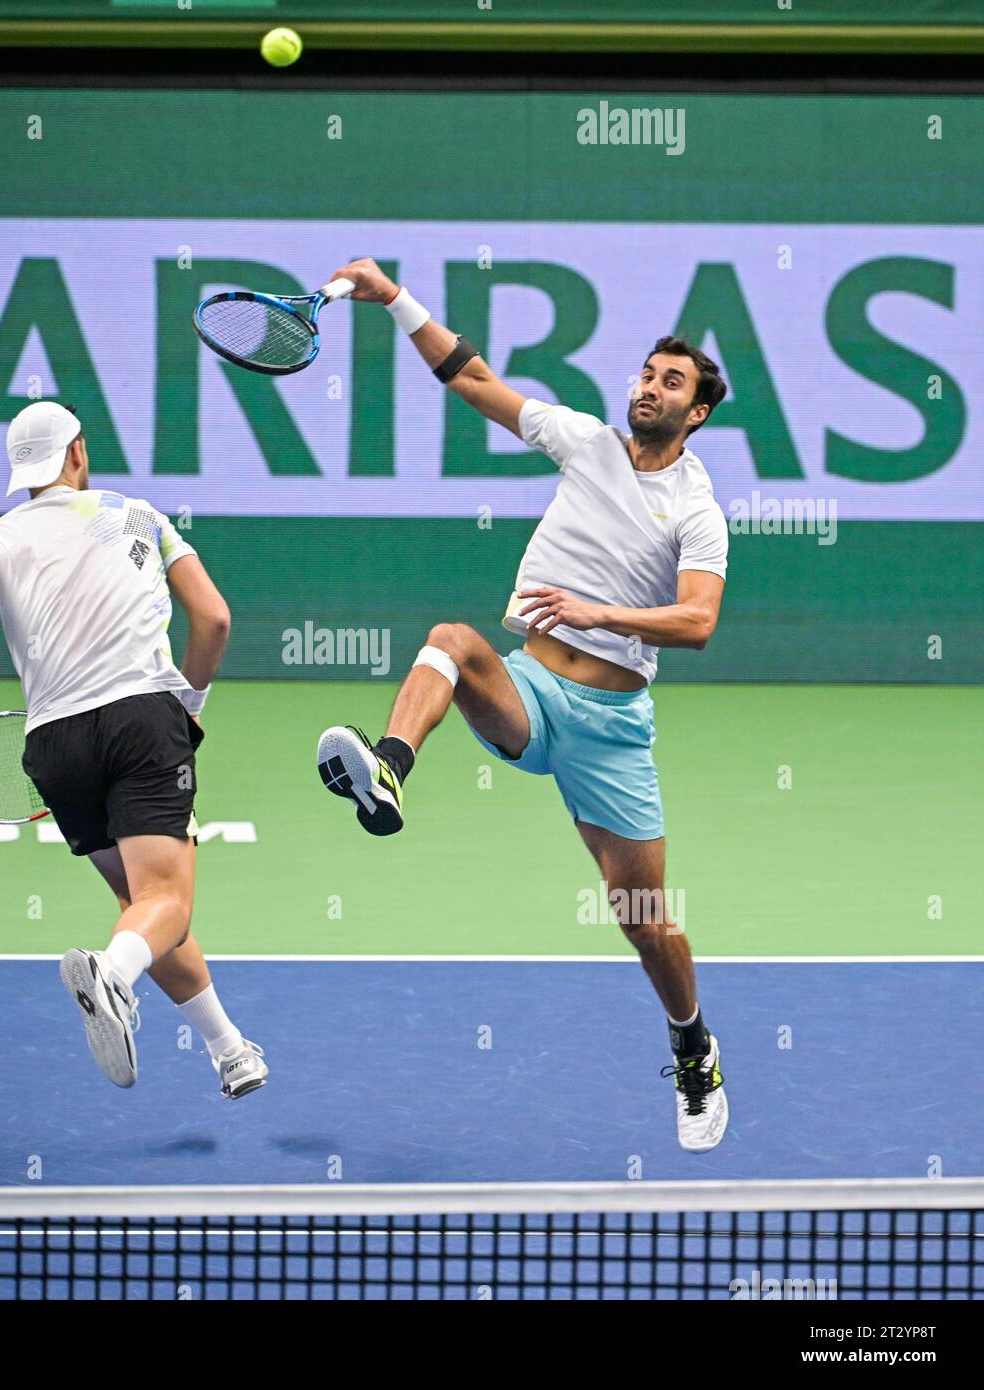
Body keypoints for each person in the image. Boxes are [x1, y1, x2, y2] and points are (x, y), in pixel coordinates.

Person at [316, 260, 729, 1151]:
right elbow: (471, 377)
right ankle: (389, 768)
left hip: (613, 731)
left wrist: (599, 611)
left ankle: (693, 1046)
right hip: (531, 692)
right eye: (648, 375)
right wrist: (395, 299)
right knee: (454, 640)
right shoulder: (584, 440)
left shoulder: (698, 507)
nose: (651, 389)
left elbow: (697, 621)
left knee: (644, 919)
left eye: (672, 383)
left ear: (697, 413)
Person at [0, 400, 267, 1100]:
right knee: (166, 906)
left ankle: (229, 1048)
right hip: (140, 716)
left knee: (141, 910)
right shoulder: (141, 516)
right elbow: (213, 617)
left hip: (54, 743)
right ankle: (112, 977)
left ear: (20, 474)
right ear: (79, 454)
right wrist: (191, 705)